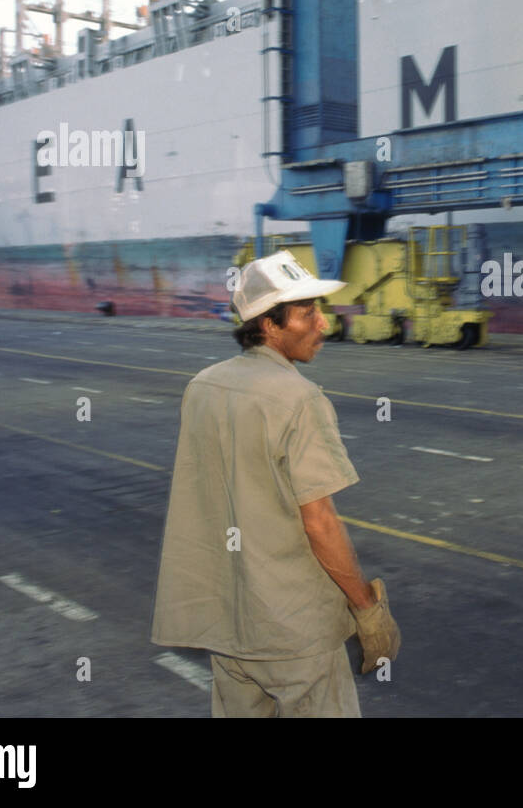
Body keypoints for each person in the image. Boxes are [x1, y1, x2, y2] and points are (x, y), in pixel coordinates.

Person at [151, 249, 401, 717]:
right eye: (307, 313)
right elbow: (320, 523)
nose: (323, 325)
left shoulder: (203, 386)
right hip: (294, 633)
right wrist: (367, 608)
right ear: (269, 325)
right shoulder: (300, 399)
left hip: (229, 627)